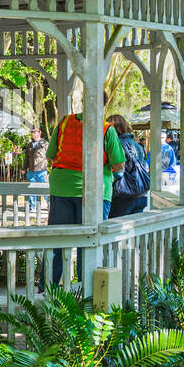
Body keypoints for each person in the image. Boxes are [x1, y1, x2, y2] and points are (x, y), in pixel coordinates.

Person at [45, 108, 126, 288]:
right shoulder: (106, 129)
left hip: (61, 188)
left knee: (56, 242)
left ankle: (46, 292)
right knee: (89, 244)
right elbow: (119, 164)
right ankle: (87, 293)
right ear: (104, 105)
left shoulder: (65, 122)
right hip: (93, 192)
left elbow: (50, 154)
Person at [107, 114, 149, 218]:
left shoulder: (118, 144)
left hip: (123, 196)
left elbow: (119, 170)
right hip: (140, 194)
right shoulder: (138, 145)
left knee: (116, 229)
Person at [24, 125, 49, 213]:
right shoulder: (29, 145)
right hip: (31, 171)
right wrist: (24, 168)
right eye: (32, 133)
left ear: (39, 133)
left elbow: (50, 156)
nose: (34, 134)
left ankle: (48, 204)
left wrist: (52, 166)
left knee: (45, 188)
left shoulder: (45, 144)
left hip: (42, 170)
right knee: (31, 189)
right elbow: (26, 157)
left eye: (35, 132)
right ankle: (32, 206)